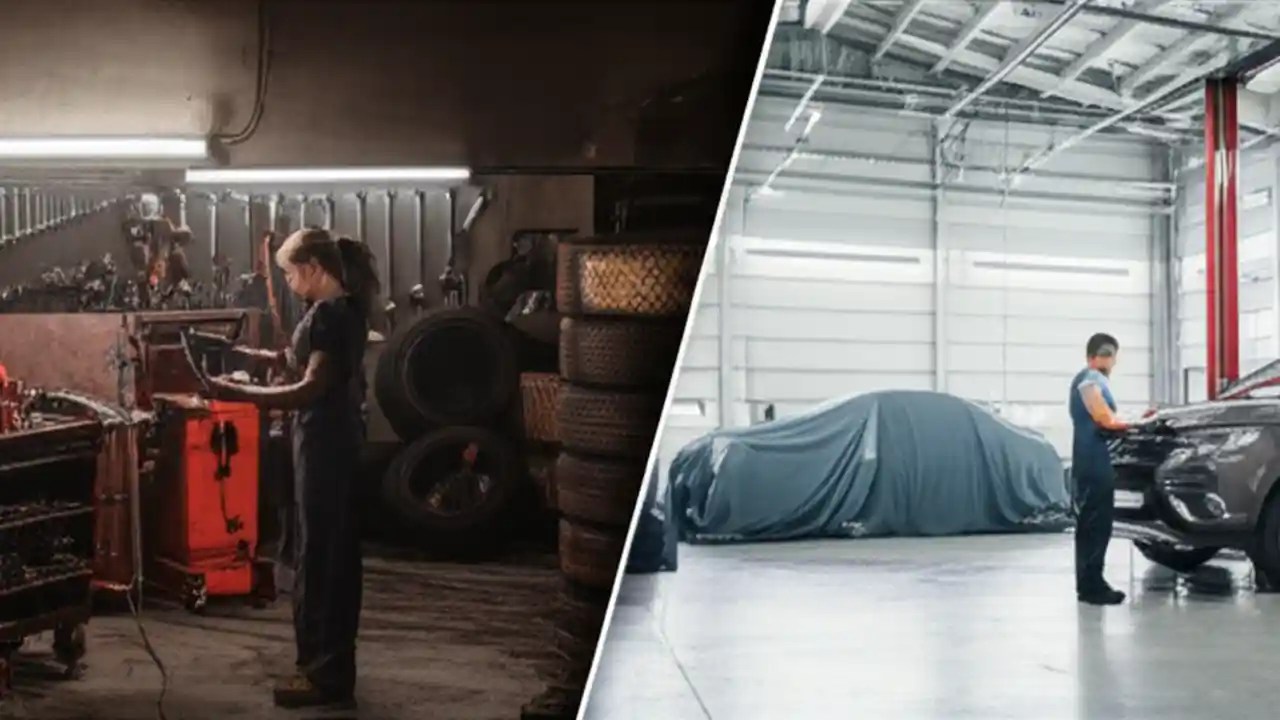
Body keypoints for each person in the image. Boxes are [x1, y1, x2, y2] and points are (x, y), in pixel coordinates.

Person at [204, 227, 378, 708]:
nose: (287, 282)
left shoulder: (330, 317)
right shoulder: (336, 312)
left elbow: (308, 389)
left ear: (313, 270)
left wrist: (240, 394)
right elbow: (293, 360)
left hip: (325, 446)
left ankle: (324, 676)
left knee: (323, 560)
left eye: (288, 274)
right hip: (328, 443)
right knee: (321, 551)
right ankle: (325, 667)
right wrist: (244, 355)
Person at [1068, 333, 1130, 606]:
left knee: (1088, 524)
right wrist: (1135, 425)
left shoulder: (1080, 378)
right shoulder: (1092, 379)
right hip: (1096, 460)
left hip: (1085, 458)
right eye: (1111, 355)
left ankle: (1088, 582)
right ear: (1105, 355)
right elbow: (1103, 418)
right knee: (1097, 524)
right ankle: (1093, 585)